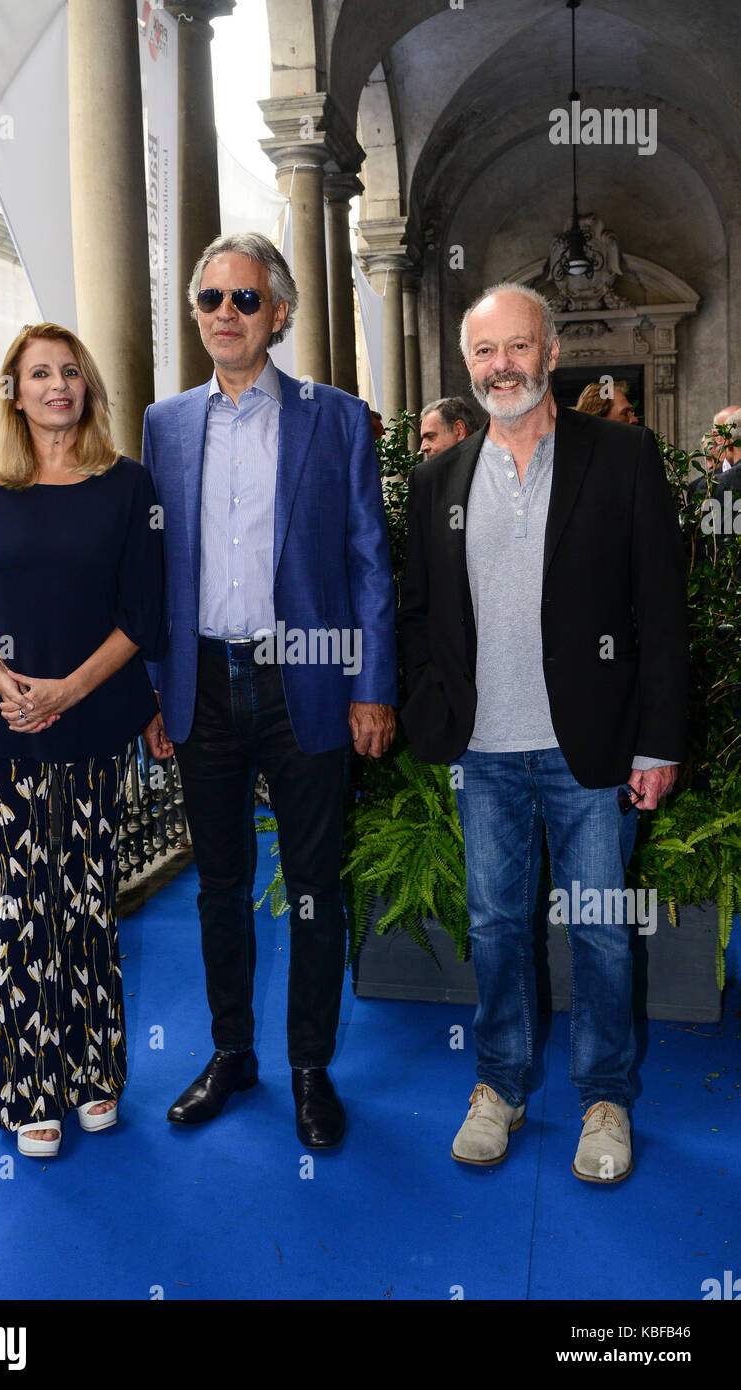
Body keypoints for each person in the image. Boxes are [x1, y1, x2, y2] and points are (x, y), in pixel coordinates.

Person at [398, 283, 688, 1183]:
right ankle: (501, 1085)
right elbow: (418, 612)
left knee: (599, 931)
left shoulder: (623, 457)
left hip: (591, 751)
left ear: (552, 353)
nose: (501, 367)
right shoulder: (437, 478)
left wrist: (658, 741)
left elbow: (661, 612)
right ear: (468, 363)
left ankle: (605, 1098)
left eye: (517, 348)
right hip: (483, 753)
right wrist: (427, 710)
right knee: (495, 927)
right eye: (484, 353)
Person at [142, 232, 396, 1148]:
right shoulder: (164, 424)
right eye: (209, 299)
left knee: (317, 885)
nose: (224, 315)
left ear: (279, 314)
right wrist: (157, 690)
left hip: (309, 683)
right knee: (219, 886)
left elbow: (368, 558)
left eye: (244, 300)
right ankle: (232, 1052)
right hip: (203, 683)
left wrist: (371, 685)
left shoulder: (336, 418)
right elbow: (154, 568)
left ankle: (309, 1067)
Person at [0, 323, 165, 1159]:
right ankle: (31, 1089)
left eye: (70, 372)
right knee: (24, 908)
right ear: (14, 391)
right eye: (39, 373)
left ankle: (95, 1072)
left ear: (88, 388)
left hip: (95, 724)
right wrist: (7, 685)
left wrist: (66, 689)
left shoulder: (126, 486)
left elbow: (143, 616)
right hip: (8, 729)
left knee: (89, 898)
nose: (58, 385)